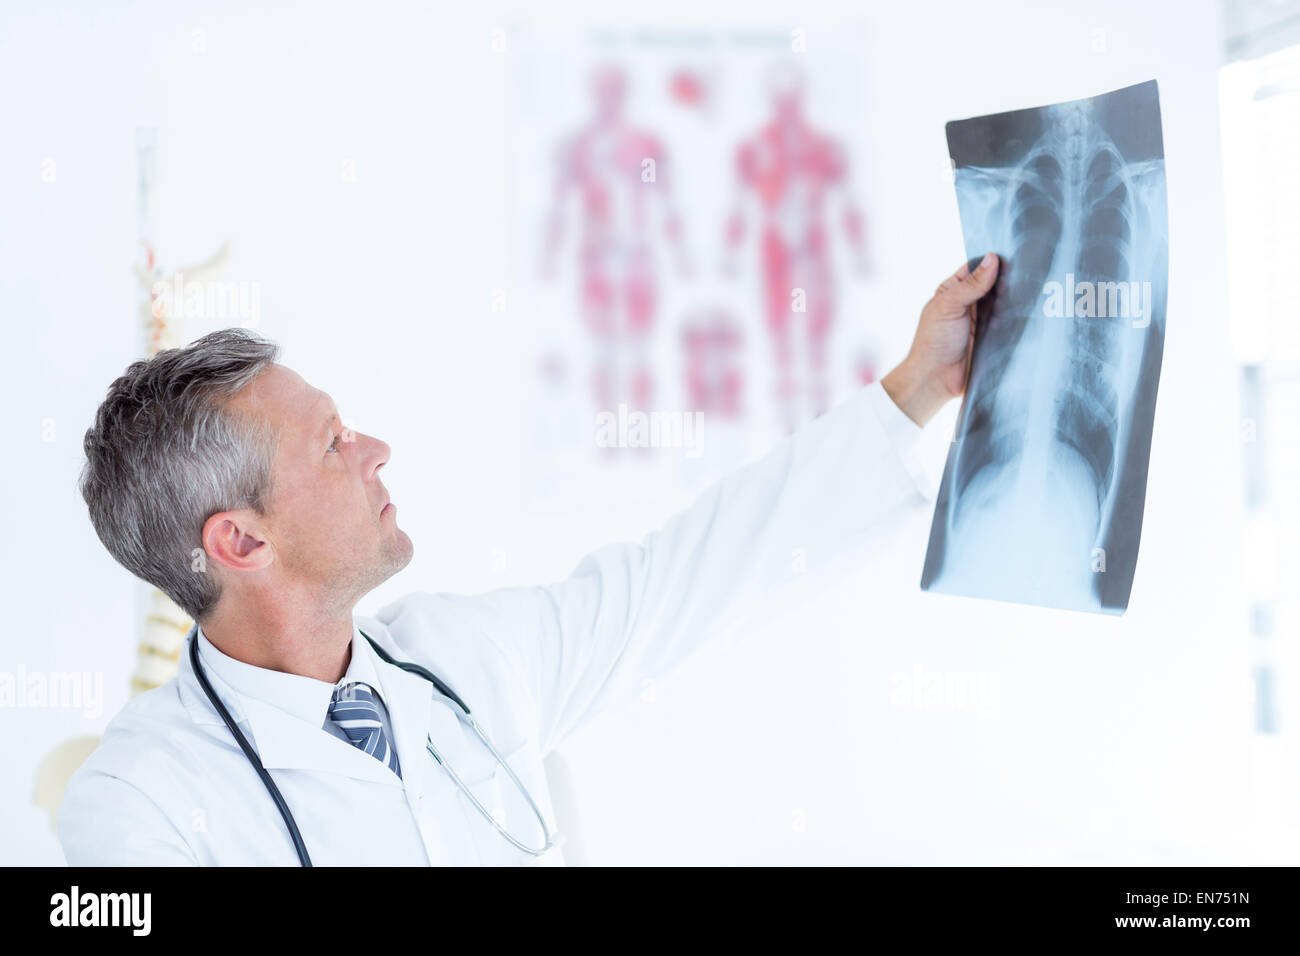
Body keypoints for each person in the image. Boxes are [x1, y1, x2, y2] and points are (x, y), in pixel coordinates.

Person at [59, 254, 1000, 866]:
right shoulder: (138, 805)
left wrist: (917, 389)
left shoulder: (461, 662)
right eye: (332, 441)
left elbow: (689, 578)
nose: (376, 449)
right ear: (242, 542)